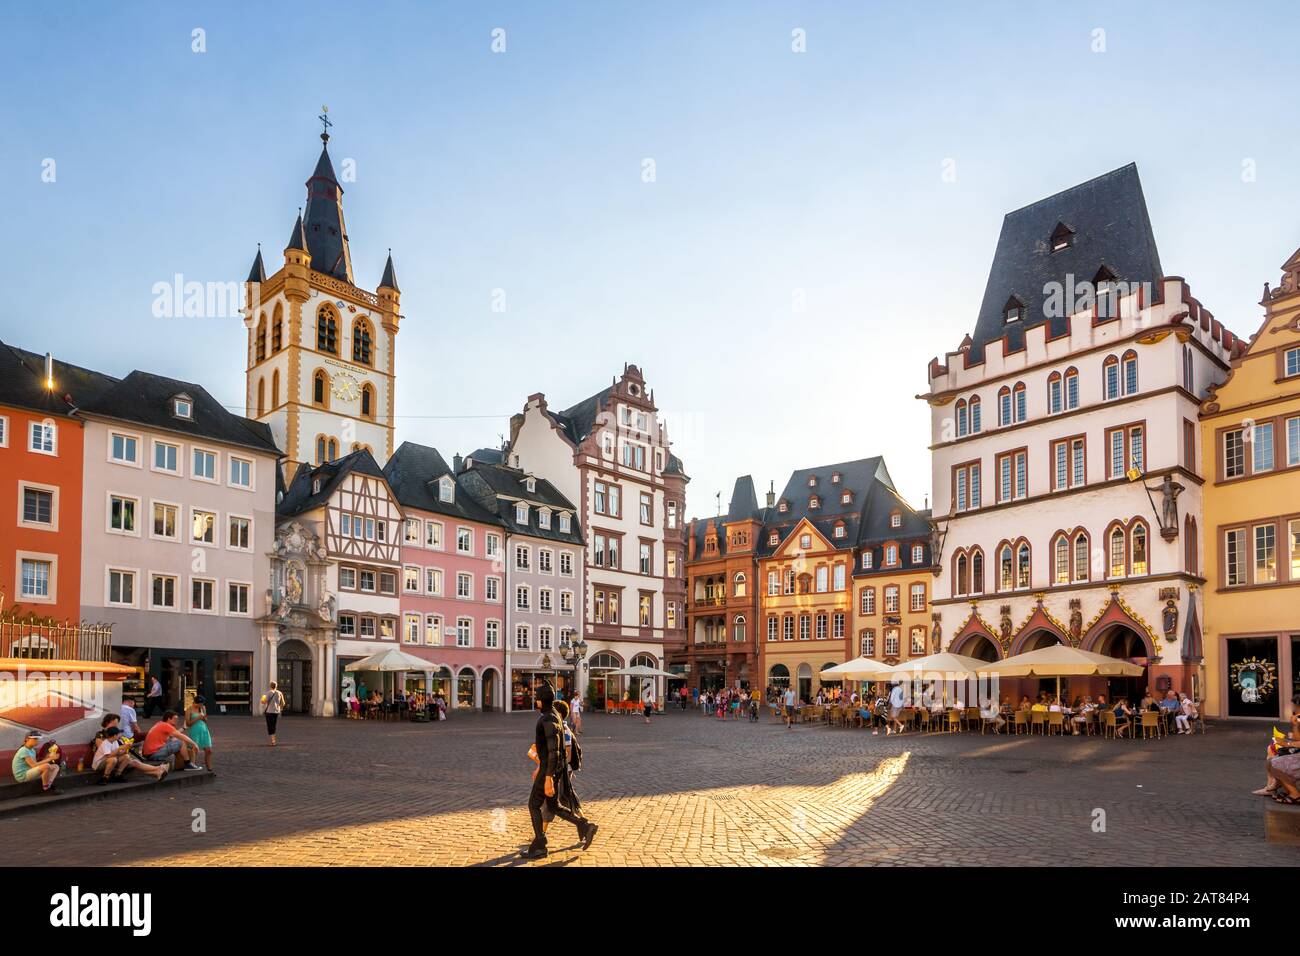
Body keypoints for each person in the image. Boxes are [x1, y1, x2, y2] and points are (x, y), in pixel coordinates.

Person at [522, 681, 597, 859]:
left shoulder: (547, 718)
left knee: (533, 804)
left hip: (549, 771)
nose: (535, 700)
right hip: (554, 770)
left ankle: (540, 844)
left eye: (537, 697)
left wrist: (548, 776)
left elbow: (553, 750)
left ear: (542, 700)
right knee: (554, 806)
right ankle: (584, 826)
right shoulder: (554, 715)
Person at [93, 726, 166, 784]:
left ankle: (118, 775)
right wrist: (119, 749)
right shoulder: (106, 743)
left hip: (110, 761)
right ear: (114, 735)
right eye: (118, 734)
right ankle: (105, 777)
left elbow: (119, 754)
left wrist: (125, 749)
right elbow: (108, 756)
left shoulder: (115, 742)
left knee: (127, 757)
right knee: (113, 759)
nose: (120, 735)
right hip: (100, 763)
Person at [186, 696, 214, 771]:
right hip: (195, 731)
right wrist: (198, 718)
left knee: (209, 750)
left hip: (204, 730)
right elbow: (188, 724)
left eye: (202, 704)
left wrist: (204, 718)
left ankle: (209, 768)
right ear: (195, 702)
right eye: (200, 704)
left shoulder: (203, 708)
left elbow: (206, 720)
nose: (201, 705)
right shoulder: (189, 710)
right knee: (194, 750)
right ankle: (193, 766)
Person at [261, 681, 286, 746]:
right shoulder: (279, 693)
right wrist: (280, 708)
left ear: (270, 686)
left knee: (270, 725)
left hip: (269, 711)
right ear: (276, 686)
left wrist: (262, 698)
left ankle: (273, 740)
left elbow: (263, 702)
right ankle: (273, 739)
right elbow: (283, 703)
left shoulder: (269, 693)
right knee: (273, 725)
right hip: (276, 712)